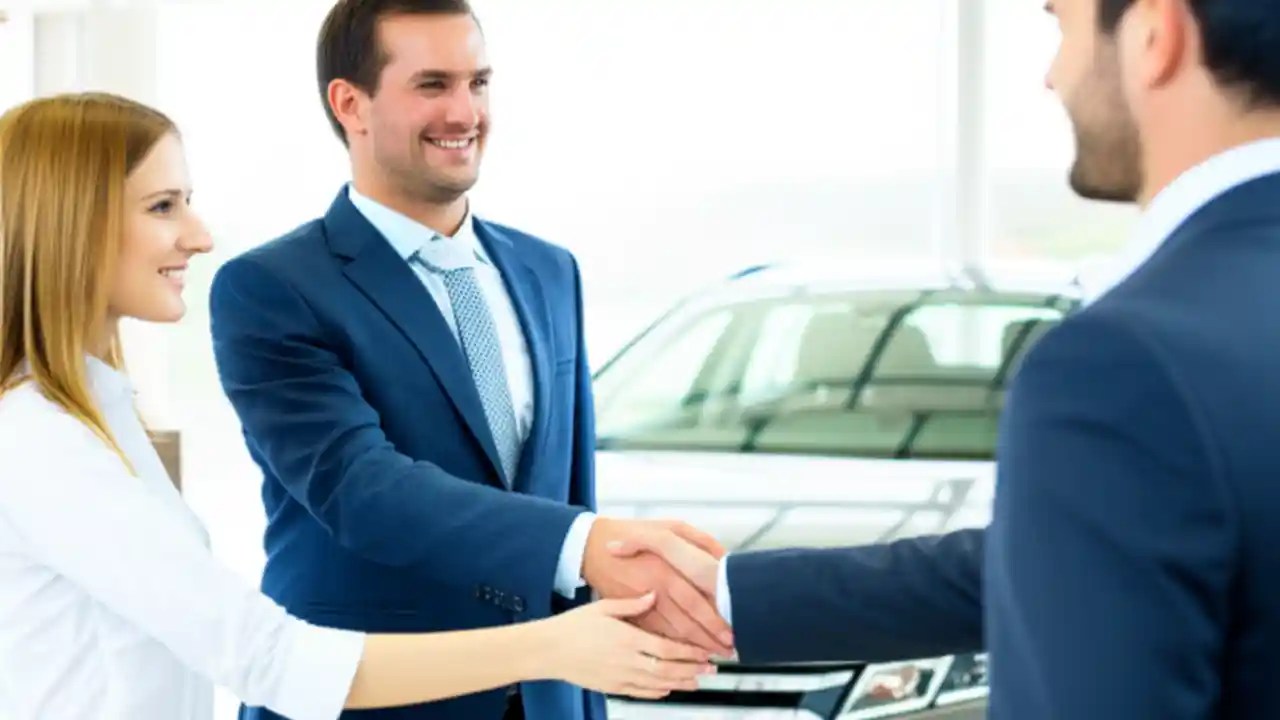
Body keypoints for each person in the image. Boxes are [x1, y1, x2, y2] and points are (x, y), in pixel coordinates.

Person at [615, 0, 1280, 716]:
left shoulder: (1123, 364)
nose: (1052, 77)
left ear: (1155, 34)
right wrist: (722, 596)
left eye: (1062, 25)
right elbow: (1093, 561)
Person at [0, 91, 717, 720]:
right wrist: (551, 644)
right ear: (71, 223)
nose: (199, 235)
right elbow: (267, 654)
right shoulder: (39, 444)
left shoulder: (95, 418)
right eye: (163, 207)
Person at [206, 1, 732, 719]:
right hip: (370, 704)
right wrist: (587, 544)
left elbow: (569, 498)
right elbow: (364, 491)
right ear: (349, 104)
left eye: (478, 83)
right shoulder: (271, 289)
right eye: (432, 85)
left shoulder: (550, 272)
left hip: (547, 699)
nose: (465, 112)